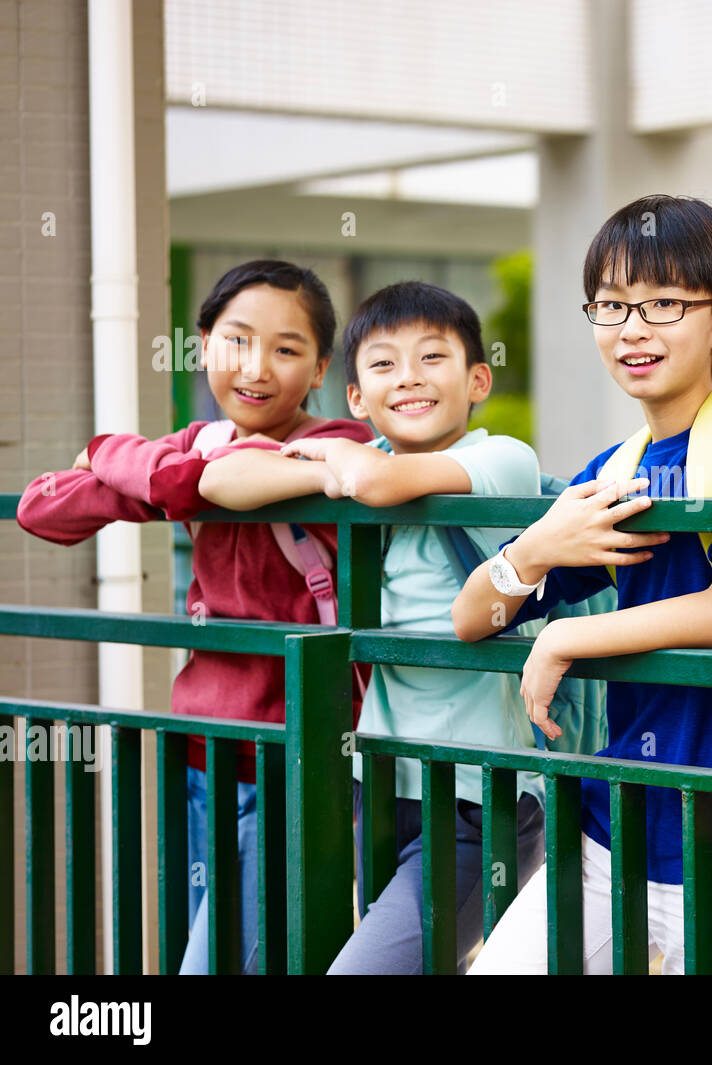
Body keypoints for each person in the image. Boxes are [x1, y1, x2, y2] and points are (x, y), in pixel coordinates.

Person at [454, 195, 712, 974]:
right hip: (613, 823)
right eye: (610, 306)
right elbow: (472, 615)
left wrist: (569, 634)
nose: (631, 328)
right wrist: (537, 548)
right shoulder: (616, 466)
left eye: (662, 303)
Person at [18, 259, 371, 973]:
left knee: (228, 959)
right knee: (209, 945)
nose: (256, 367)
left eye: (287, 348)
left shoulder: (341, 447)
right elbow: (42, 508)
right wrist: (156, 466)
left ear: (321, 366)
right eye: (236, 340)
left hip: (298, 757)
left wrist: (112, 452)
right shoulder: (199, 447)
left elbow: (205, 482)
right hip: (202, 754)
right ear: (202, 341)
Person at [201, 280, 548, 974]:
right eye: (383, 364)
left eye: (432, 358)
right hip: (386, 788)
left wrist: (330, 462)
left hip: (481, 798)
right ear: (356, 398)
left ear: (479, 378)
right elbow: (218, 481)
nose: (409, 377)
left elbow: (379, 483)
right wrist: (334, 466)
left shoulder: (503, 458)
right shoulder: (367, 462)